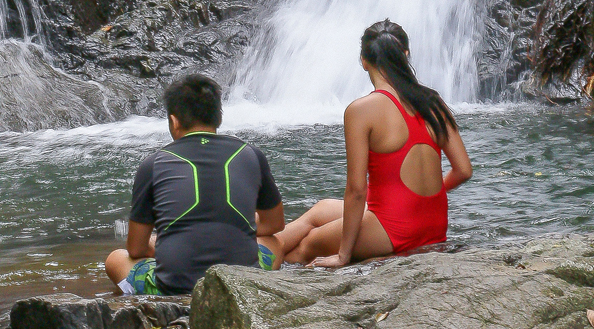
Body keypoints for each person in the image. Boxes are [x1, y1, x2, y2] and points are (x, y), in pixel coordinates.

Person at [277, 19, 473, 267]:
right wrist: (417, 198)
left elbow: (356, 190)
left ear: (364, 61)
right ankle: (268, 243)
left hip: (394, 232)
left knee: (309, 244)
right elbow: (464, 170)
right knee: (321, 210)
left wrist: (343, 255)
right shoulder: (434, 103)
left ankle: (261, 258)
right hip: (433, 228)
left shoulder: (362, 110)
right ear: (405, 54)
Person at [104, 72, 285, 295]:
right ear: (218, 118)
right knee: (274, 243)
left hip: (173, 287)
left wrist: (163, 243)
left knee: (116, 258)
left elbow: (135, 248)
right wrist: (237, 229)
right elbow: (275, 224)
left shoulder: (153, 164)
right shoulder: (251, 155)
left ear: (174, 121)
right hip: (241, 285)